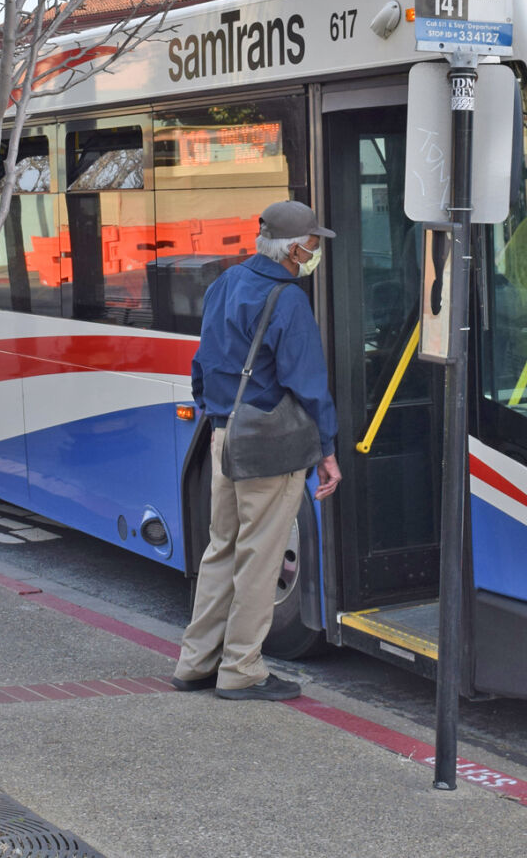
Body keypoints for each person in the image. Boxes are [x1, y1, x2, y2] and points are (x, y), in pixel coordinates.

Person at [173, 199, 342, 701]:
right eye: (312, 243)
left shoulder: (225, 283)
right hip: (268, 446)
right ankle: (241, 669)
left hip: (224, 434)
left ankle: (196, 661)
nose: (314, 251)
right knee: (260, 556)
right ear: (293, 248)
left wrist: (215, 412)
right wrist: (327, 449)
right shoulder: (287, 299)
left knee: (220, 548)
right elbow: (308, 384)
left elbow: (202, 361)